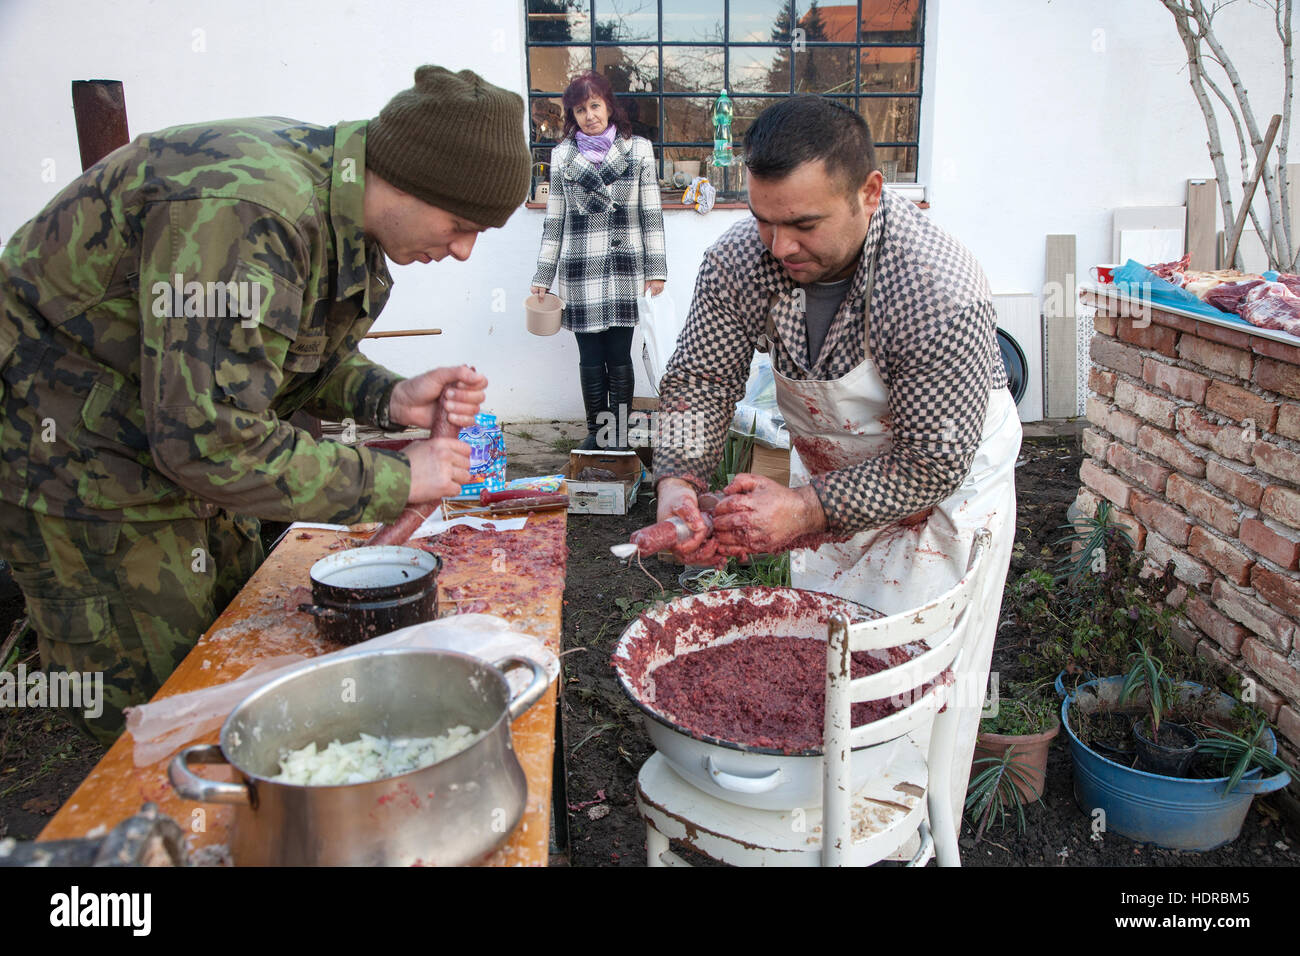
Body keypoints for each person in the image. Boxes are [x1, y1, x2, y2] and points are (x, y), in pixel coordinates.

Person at [0, 65, 531, 743]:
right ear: (406, 179)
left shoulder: (336, 213)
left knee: (233, 662)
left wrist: (389, 395)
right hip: (78, 464)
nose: (461, 251)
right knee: (160, 719)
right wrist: (398, 479)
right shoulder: (250, 208)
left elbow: (276, 362)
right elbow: (208, 439)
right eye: (461, 224)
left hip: (157, 445)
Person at [653, 95, 1022, 824]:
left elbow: (927, 461)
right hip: (834, 473)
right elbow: (701, 378)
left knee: (913, 686)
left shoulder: (935, 288)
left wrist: (802, 511)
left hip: (945, 488)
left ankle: (907, 829)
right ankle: (809, 821)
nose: (779, 245)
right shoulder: (742, 260)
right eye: (762, 218)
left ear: (870, 193)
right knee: (822, 666)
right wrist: (678, 481)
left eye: (804, 224)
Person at [530, 71, 667, 450]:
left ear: (608, 105)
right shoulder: (562, 157)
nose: (589, 115)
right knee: (590, 355)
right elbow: (554, 220)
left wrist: (657, 271)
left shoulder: (637, 150)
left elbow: (651, 213)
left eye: (594, 105)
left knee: (619, 354)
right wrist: (543, 274)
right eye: (580, 109)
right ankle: (596, 432)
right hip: (580, 269)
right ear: (571, 116)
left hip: (626, 267)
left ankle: (617, 434)